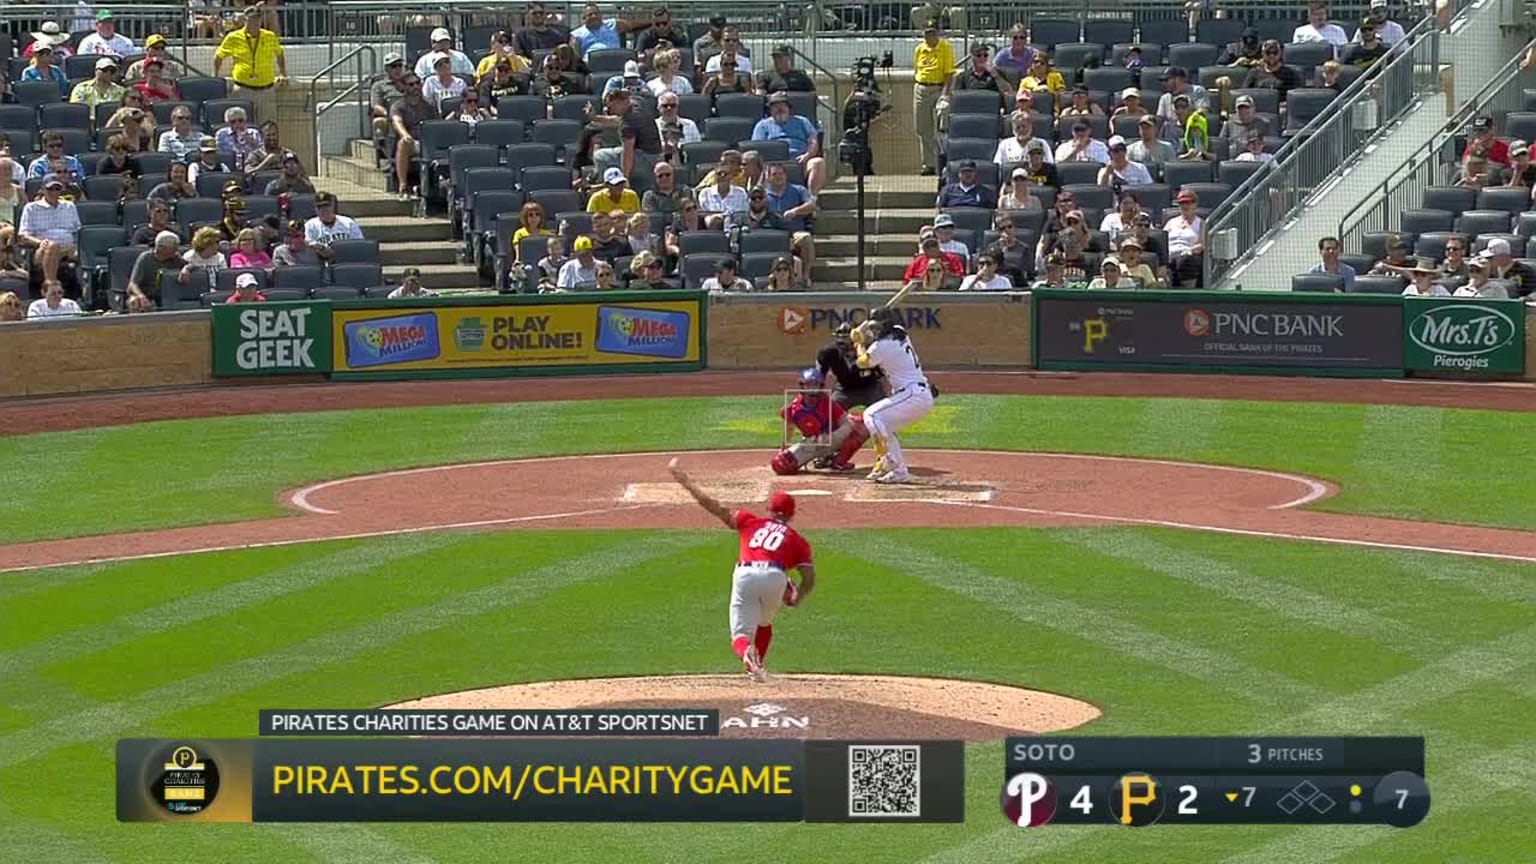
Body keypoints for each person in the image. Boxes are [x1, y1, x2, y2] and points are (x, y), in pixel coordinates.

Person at [667, 458, 815, 681]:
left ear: (770, 510)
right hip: (776, 577)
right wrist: (797, 596)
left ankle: (748, 656)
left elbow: (713, 505)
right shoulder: (798, 541)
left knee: (740, 635)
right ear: (792, 515)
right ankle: (758, 666)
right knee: (764, 623)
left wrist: (686, 482)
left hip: (746, 574)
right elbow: (809, 577)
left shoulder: (750, 521)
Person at [851, 308, 934, 484]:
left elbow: (862, 363)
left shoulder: (882, 346)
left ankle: (886, 458)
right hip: (916, 394)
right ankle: (899, 472)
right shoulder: (900, 332)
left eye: (878, 328)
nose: (875, 331)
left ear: (886, 326)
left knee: (871, 415)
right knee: (885, 426)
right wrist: (863, 329)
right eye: (873, 328)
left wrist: (858, 342)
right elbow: (874, 333)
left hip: (912, 394)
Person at [772, 366, 868, 475]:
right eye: (809, 385)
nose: (812, 389)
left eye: (815, 385)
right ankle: (823, 458)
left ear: (821, 386)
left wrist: (832, 436)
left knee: (862, 424)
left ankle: (839, 462)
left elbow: (846, 424)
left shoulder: (828, 403)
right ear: (802, 386)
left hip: (833, 437)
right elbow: (789, 428)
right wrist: (783, 448)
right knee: (780, 464)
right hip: (811, 444)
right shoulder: (792, 408)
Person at [214, 6, 289, 123]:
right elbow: (218, 56)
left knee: (268, 125)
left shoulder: (269, 36)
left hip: (267, 90)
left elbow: (279, 54)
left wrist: (283, 74)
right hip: (243, 89)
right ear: (245, 20)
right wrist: (215, 75)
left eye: (258, 19)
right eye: (252, 19)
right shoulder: (233, 37)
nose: (255, 22)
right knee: (242, 125)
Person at [751, 93, 826, 194]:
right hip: (772, 163)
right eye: (775, 106)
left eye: (783, 105)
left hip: (800, 160)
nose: (779, 108)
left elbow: (813, 141)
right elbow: (757, 148)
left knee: (818, 162)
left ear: (788, 108)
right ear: (770, 110)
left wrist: (807, 155)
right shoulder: (762, 125)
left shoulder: (802, 121)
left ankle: (811, 199)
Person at [593, 89, 663, 194]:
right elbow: (617, 119)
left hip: (647, 160)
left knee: (600, 156)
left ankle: (607, 187)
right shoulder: (637, 103)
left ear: (620, 102)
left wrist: (625, 177)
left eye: (611, 107)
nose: (609, 110)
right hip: (656, 155)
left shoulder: (629, 122)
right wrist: (595, 118)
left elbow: (628, 151)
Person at [18, 177, 81, 284]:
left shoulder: (69, 206)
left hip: (68, 249)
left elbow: (78, 231)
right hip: (42, 250)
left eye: (57, 188)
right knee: (53, 247)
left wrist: (76, 245)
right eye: (50, 189)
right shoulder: (31, 208)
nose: (54, 192)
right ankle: (50, 285)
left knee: (84, 252)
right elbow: (23, 236)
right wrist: (40, 242)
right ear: (42, 189)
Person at [912, 21, 955, 176]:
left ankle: (942, 162)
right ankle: (928, 164)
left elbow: (950, 73)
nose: (929, 36)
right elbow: (917, 70)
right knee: (922, 128)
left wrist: (945, 94)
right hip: (921, 87)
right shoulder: (919, 49)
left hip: (939, 87)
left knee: (941, 128)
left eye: (932, 32)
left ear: (938, 33)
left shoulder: (945, 48)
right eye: (926, 32)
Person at [762, 162, 817, 276]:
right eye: (774, 174)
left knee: (806, 238)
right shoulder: (762, 195)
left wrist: (795, 211)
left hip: (795, 233)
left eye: (781, 173)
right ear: (768, 177)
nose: (778, 176)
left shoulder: (798, 190)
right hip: (772, 234)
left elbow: (812, 205)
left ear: (786, 175)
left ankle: (806, 276)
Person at [816, 322, 885, 409]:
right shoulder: (829, 352)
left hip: (870, 387)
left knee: (882, 411)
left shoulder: (871, 349)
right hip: (844, 389)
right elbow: (819, 375)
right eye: (842, 337)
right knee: (830, 411)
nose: (845, 341)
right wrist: (818, 392)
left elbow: (884, 372)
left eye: (849, 337)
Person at [389, 74, 434, 200]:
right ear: (404, 87)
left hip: (429, 142)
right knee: (404, 143)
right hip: (413, 143)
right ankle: (403, 185)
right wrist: (405, 135)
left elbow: (436, 124)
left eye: (417, 83)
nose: (415, 87)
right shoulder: (398, 106)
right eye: (411, 84)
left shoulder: (429, 105)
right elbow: (397, 122)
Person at [1165, 189, 1205, 287]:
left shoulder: (1200, 223)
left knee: (1185, 261)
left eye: (1188, 203)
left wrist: (1189, 251)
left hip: (1187, 256)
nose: (1185, 206)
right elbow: (1162, 239)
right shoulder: (1171, 222)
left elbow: (1202, 245)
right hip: (1169, 256)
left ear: (1195, 204)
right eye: (1182, 203)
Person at [179, 225, 227, 293]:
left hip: (217, 292)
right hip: (196, 291)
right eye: (215, 243)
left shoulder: (220, 257)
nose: (217, 246)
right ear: (205, 244)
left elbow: (224, 280)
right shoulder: (189, 256)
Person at [215, 107, 264, 173]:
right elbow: (218, 154)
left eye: (240, 120)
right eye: (233, 121)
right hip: (229, 168)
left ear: (245, 121)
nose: (237, 124)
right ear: (228, 123)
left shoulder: (254, 133)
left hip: (250, 167)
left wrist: (252, 142)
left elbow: (262, 152)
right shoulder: (221, 134)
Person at [990, 24, 1034, 90]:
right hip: (1009, 90)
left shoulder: (1033, 53)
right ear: (1010, 39)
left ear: (1026, 40)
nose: (1018, 41)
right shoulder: (1003, 55)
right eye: (1015, 38)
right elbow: (992, 69)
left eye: (1022, 38)